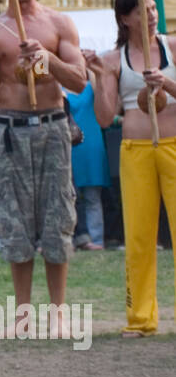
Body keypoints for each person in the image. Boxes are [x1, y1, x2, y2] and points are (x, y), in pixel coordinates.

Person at [0, 0, 86, 330]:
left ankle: (57, 313)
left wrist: (47, 58)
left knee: (57, 215)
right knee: (14, 219)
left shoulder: (59, 23)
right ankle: (22, 314)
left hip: (52, 127)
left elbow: (79, 81)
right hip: (10, 130)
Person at [86, 0, 176, 335]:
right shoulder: (113, 60)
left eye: (153, 8)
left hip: (173, 145)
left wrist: (167, 84)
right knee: (139, 236)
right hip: (135, 150)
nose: (152, 15)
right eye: (142, 11)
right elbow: (104, 117)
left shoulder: (172, 47)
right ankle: (141, 318)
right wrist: (99, 77)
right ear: (125, 18)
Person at [66, 72, 109, 250]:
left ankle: (96, 239)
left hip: (91, 146)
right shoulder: (57, 85)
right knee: (66, 195)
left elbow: (107, 102)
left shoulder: (92, 86)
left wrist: (94, 71)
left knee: (93, 196)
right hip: (66, 145)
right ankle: (70, 237)